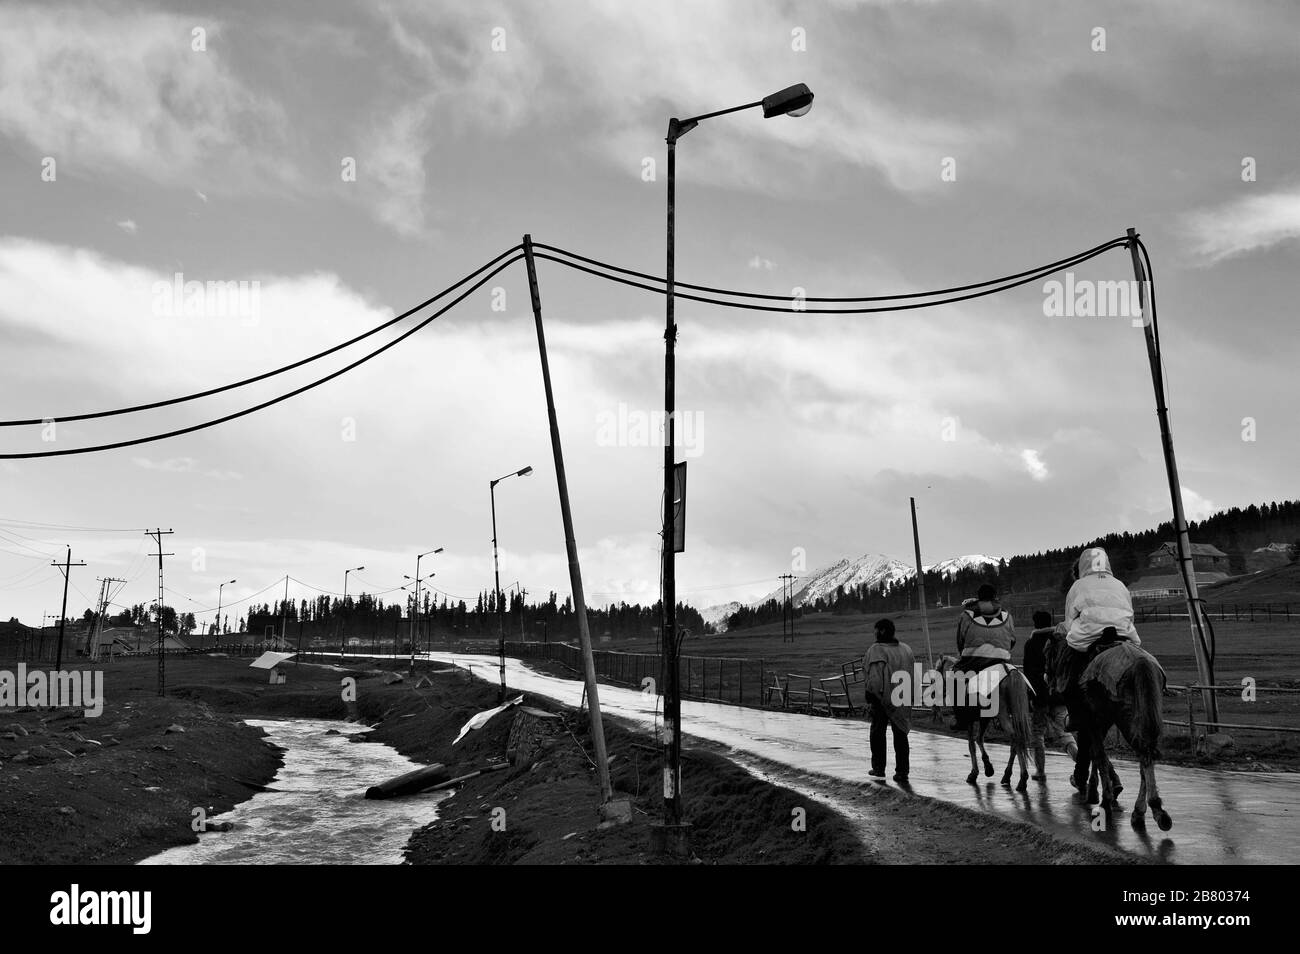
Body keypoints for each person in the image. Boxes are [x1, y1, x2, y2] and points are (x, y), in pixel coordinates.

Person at [1055, 546, 1139, 790]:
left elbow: (1070, 620)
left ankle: (1075, 714)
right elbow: (1130, 614)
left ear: (1082, 567)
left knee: (1068, 670)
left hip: (1090, 637)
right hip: (1123, 635)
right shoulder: (1121, 585)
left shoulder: (1078, 586)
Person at [951, 583, 1015, 729]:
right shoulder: (1007, 615)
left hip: (974, 659)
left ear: (978, 597)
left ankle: (961, 719)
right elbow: (1012, 640)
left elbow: (960, 640)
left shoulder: (966, 615)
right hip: (1003, 658)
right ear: (995, 596)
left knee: (954, 680)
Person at [1024, 609, 1077, 781]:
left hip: (1039, 696)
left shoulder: (1031, 644)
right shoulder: (1061, 641)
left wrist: (1031, 696)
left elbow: (1028, 673)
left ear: (1035, 624)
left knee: (1037, 733)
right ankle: (1080, 761)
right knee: (1064, 731)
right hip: (1058, 693)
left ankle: (1040, 771)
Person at [863, 618, 915, 783]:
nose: (874, 634)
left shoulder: (877, 650)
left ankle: (879, 768)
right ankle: (902, 771)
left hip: (883, 698)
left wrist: (872, 694)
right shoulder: (906, 649)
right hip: (903, 696)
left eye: (876, 630)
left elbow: (875, 677)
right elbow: (914, 673)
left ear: (882, 631)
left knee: (878, 732)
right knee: (901, 733)